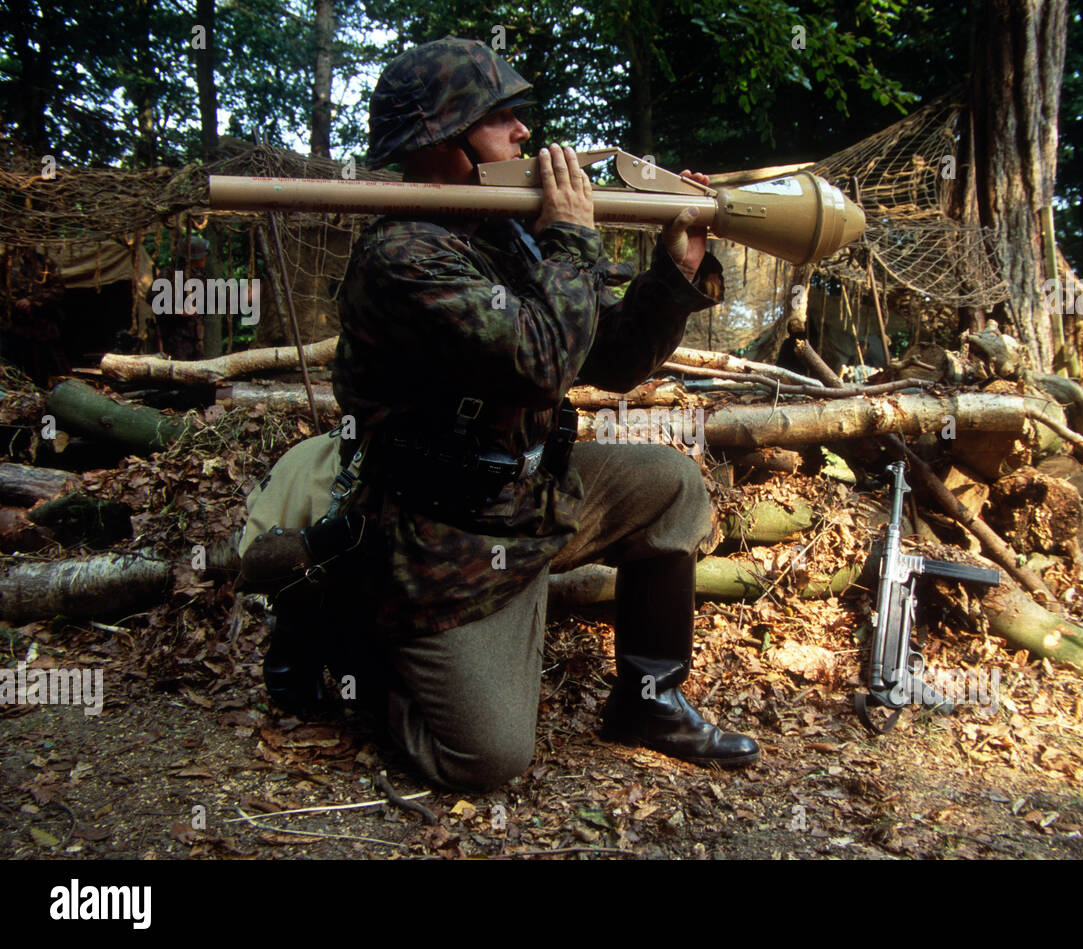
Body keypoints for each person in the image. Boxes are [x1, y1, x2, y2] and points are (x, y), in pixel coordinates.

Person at [266, 36, 759, 792]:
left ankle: (649, 701)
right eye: (501, 116)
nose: (525, 133)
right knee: (487, 758)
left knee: (669, 483)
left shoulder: (510, 235)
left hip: (534, 499)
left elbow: (610, 361)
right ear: (441, 137)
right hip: (442, 536)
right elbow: (541, 365)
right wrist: (573, 235)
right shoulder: (401, 258)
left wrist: (675, 274)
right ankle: (346, 620)